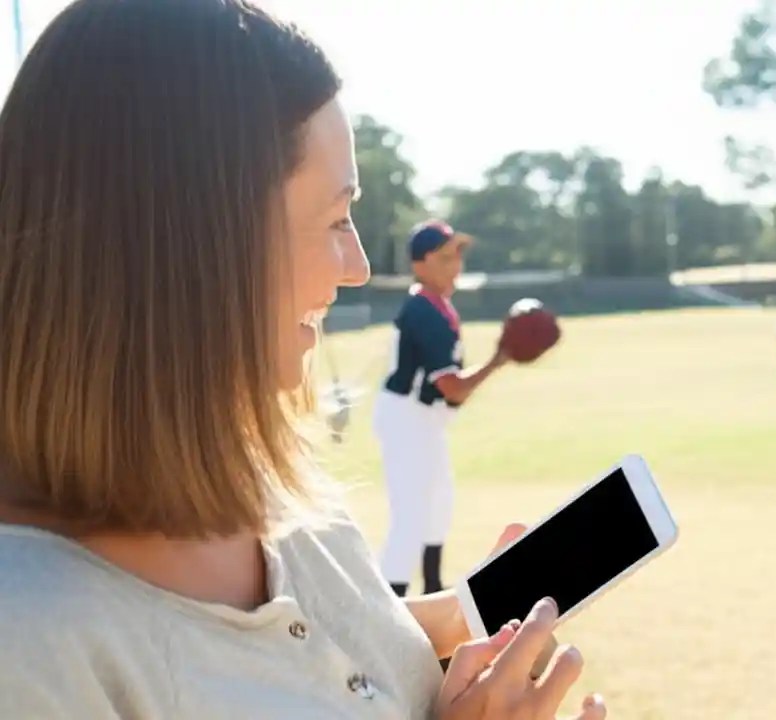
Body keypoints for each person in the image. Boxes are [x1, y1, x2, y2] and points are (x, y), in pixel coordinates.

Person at [0, 2, 604, 718]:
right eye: (336, 218)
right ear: (196, 249)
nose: (357, 265)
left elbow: (333, 645)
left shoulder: (280, 499)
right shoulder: (29, 643)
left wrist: (484, 606)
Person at [375, 220, 508, 597]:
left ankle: (432, 588)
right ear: (420, 265)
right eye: (445, 257)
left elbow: (450, 394)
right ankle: (392, 603)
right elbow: (452, 387)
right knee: (411, 518)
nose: (456, 265)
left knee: (439, 505)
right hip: (407, 419)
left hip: (423, 419)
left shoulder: (438, 306)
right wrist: (498, 360)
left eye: (457, 256)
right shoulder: (424, 311)